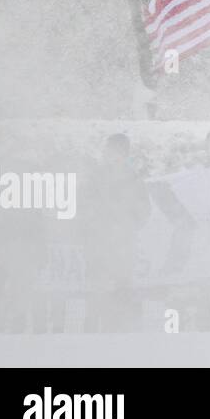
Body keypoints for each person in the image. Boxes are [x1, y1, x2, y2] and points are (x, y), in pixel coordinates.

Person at [81, 133, 151, 332]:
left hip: (123, 244)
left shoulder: (134, 178)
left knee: (122, 288)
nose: (114, 155)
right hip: (98, 243)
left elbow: (144, 209)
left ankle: (118, 331)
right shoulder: (95, 176)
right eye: (111, 150)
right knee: (96, 289)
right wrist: (97, 223)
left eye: (119, 151)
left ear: (126, 154)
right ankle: (91, 332)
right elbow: (84, 206)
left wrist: (127, 224)